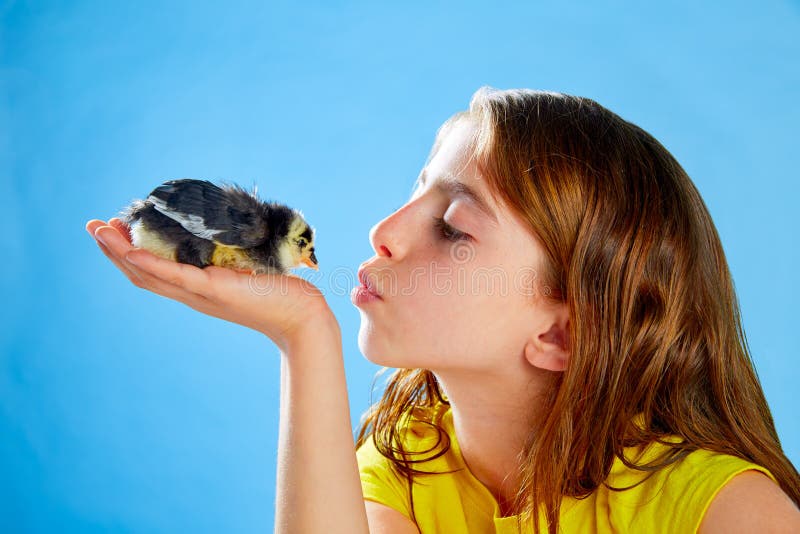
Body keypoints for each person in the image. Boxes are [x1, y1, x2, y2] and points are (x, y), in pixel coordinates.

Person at [86, 86, 800, 533]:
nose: (384, 232)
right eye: (416, 190)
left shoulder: (725, 511)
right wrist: (304, 334)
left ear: (557, 331)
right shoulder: (405, 460)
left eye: (454, 226)